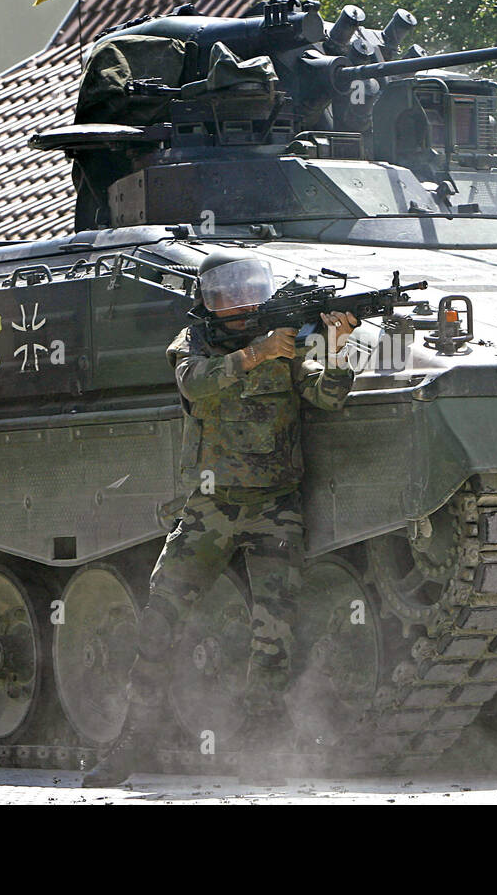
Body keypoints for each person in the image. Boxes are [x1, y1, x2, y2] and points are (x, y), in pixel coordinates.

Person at [84, 247, 358, 786]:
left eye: (248, 289)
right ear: (206, 301)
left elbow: (326, 399)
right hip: (211, 507)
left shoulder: (292, 345)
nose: (238, 301)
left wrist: (338, 348)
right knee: (160, 617)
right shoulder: (193, 343)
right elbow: (197, 387)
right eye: (225, 292)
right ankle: (134, 741)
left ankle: (260, 743)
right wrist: (256, 354)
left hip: (275, 505)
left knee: (274, 631)